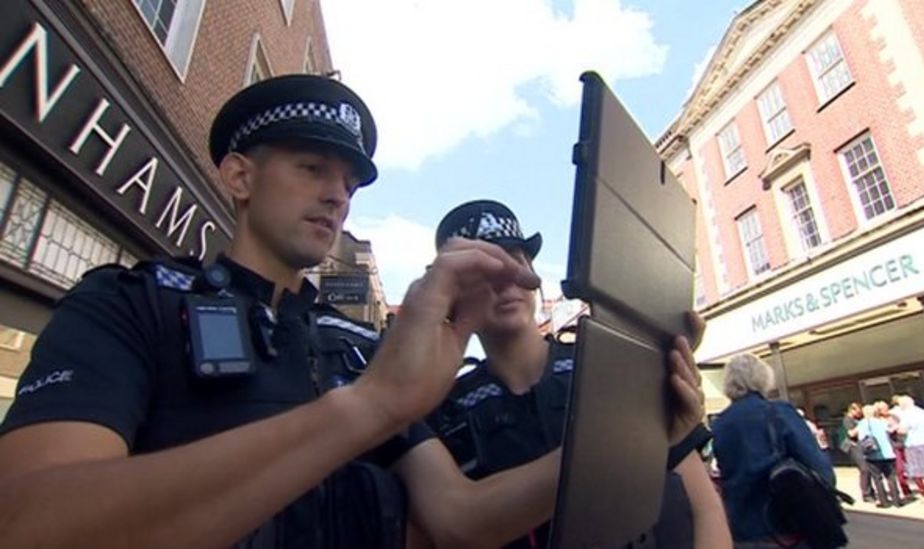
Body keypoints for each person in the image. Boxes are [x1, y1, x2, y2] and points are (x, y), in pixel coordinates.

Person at [0, 75, 563, 547]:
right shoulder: (133, 302)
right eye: (312, 168)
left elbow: (461, 519)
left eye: (347, 182)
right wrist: (368, 407)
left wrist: (634, 429)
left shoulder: (360, 349)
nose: (337, 195)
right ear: (240, 176)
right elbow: (30, 522)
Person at [426, 200, 731, 549]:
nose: (507, 279)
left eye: (516, 258)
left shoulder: (610, 372)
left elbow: (704, 506)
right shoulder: (446, 411)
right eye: (483, 270)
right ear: (452, 294)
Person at [711, 354, 836, 548]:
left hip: (741, 528)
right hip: (785, 525)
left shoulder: (719, 424)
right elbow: (820, 468)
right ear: (762, 378)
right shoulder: (778, 411)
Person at [855, 404, 902, 508]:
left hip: (873, 455)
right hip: (888, 453)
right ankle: (897, 500)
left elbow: (861, 438)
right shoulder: (881, 422)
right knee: (891, 477)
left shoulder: (862, 424)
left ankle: (884, 501)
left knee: (877, 478)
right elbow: (891, 431)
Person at [887, 395, 924, 499]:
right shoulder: (909, 412)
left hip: (902, 442)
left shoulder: (898, 413)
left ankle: (909, 489)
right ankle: (922, 488)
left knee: (902, 468)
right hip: (904, 442)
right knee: (911, 466)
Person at [840, 402, 874, 502]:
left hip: (860, 445)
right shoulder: (848, 420)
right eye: (858, 412)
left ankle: (870, 490)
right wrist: (861, 427)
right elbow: (851, 433)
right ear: (852, 410)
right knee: (864, 469)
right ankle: (866, 493)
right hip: (853, 446)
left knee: (868, 468)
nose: (860, 414)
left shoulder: (857, 420)